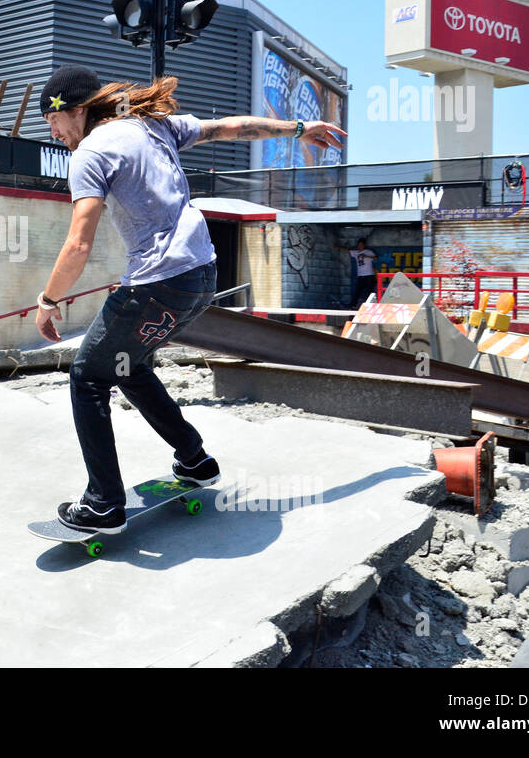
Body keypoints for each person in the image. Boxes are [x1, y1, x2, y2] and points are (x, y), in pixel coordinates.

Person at [35, 65, 346, 534]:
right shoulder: (152, 125)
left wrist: (48, 299)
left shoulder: (90, 155)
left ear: (75, 111)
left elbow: (79, 243)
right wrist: (300, 127)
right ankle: (195, 461)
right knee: (128, 365)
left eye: (52, 122)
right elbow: (232, 128)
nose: (54, 133)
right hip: (201, 276)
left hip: (157, 283)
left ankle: (102, 504)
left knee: (87, 376)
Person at [334, 238, 380, 307]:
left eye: (361, 245)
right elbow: (348, 250)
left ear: (364, 245)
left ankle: (372, 305)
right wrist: (338, 247)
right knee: (357, 291)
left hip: (369, 275)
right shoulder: (356, 253)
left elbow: (376, 258)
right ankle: (353, 305)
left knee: (370, 291)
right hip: (360, 275)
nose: (360, 246)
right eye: (359, 245)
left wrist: (366, 256)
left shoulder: (368, 251)